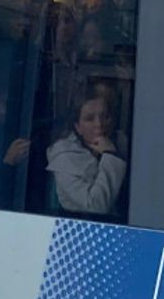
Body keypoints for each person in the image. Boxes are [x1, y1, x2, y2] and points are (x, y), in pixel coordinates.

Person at [46, 89, 128, 217]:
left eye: (105, 116)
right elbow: (96, 207)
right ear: (78, 127)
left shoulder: (122, 142)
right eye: (89, 119)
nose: (99, 124)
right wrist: (110, 155)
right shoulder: (64, 158)